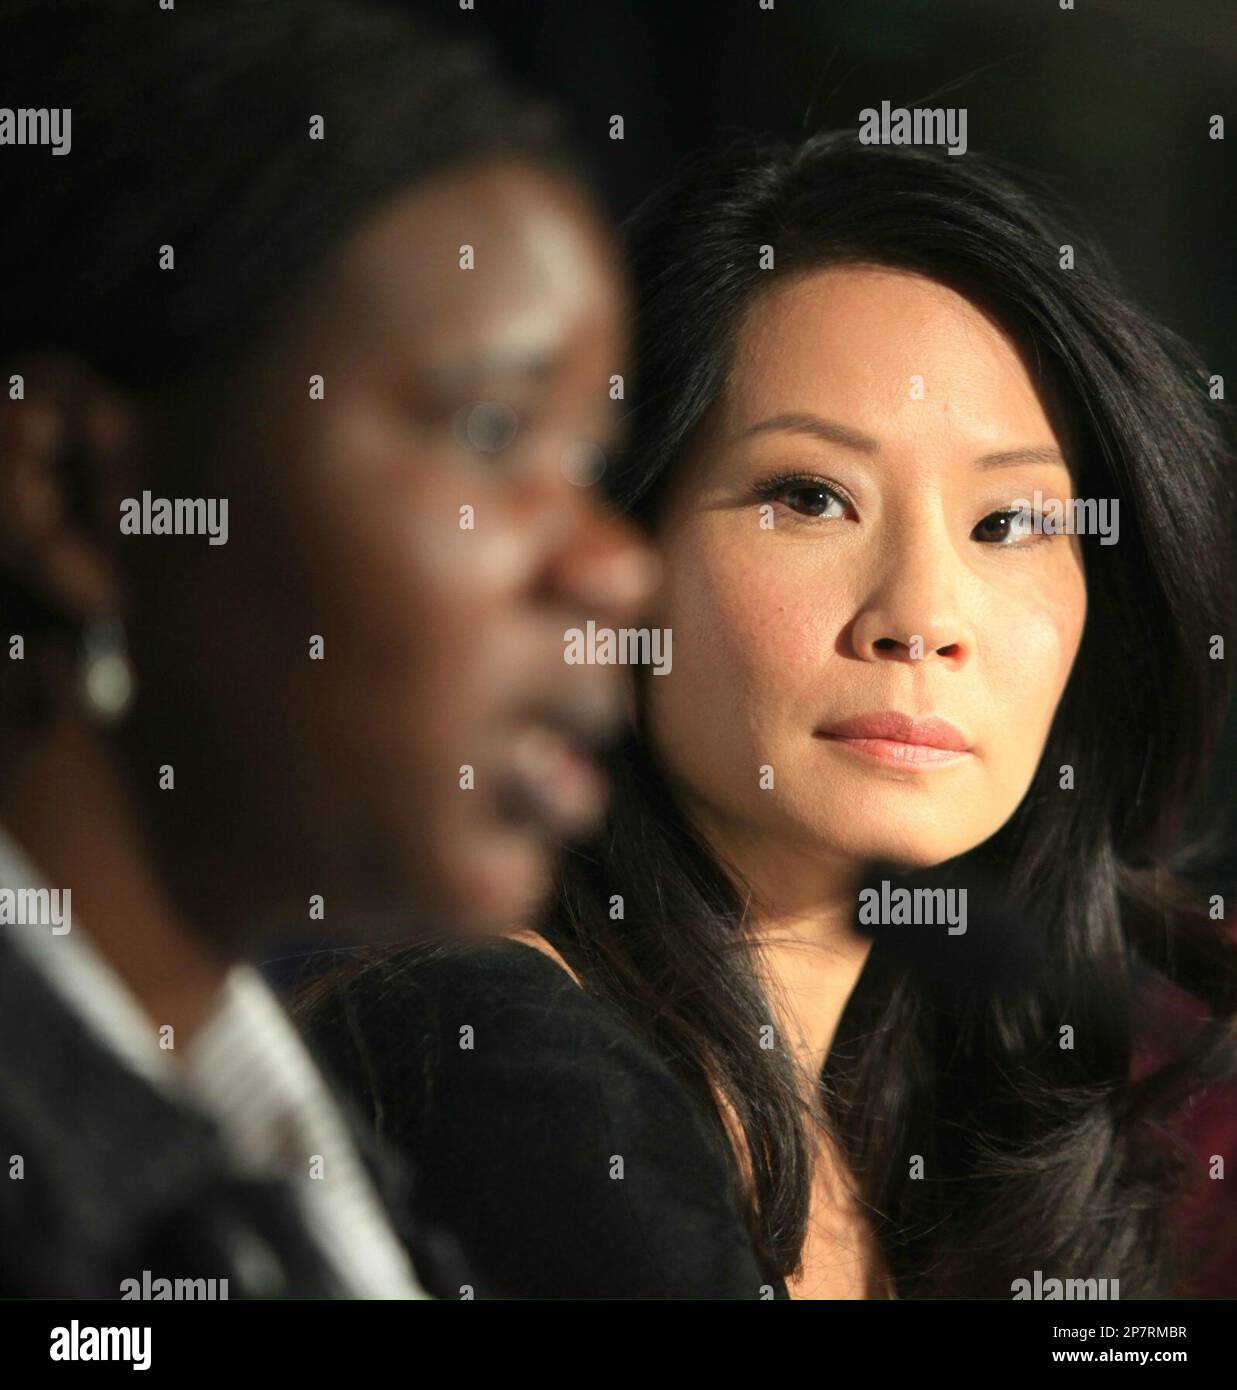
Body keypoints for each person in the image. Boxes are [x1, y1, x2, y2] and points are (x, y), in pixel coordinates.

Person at [299, 130, 1236, 1298]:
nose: (922, 617)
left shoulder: (961, 1138)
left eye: (1008, 524)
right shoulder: (489, 1046)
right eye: (808, 496)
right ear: (614, 548)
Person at [0, 0, 657, 1297]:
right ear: (76, 493)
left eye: (589, 463)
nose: (613, 562)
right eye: (489, 433)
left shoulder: (293, 1171)